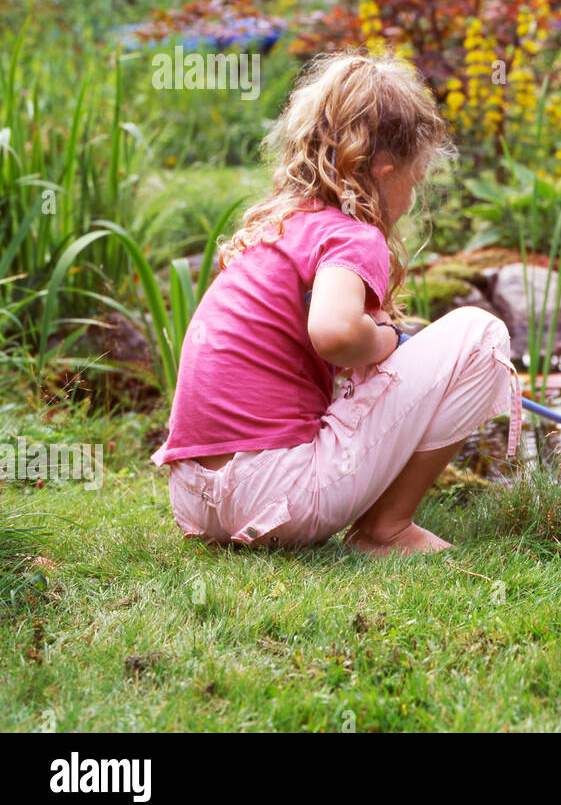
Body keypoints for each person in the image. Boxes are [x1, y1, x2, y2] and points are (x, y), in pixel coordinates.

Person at [150, 51, 521, 557]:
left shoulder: (276, 232)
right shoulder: (352, 237)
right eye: (414, 182)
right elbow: (337, 335)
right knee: (482, 334)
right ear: (386, 169)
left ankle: (359, 519)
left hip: (195, 499)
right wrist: (386, 337)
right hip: (271, 496)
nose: (412, 200)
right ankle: (386, 529)